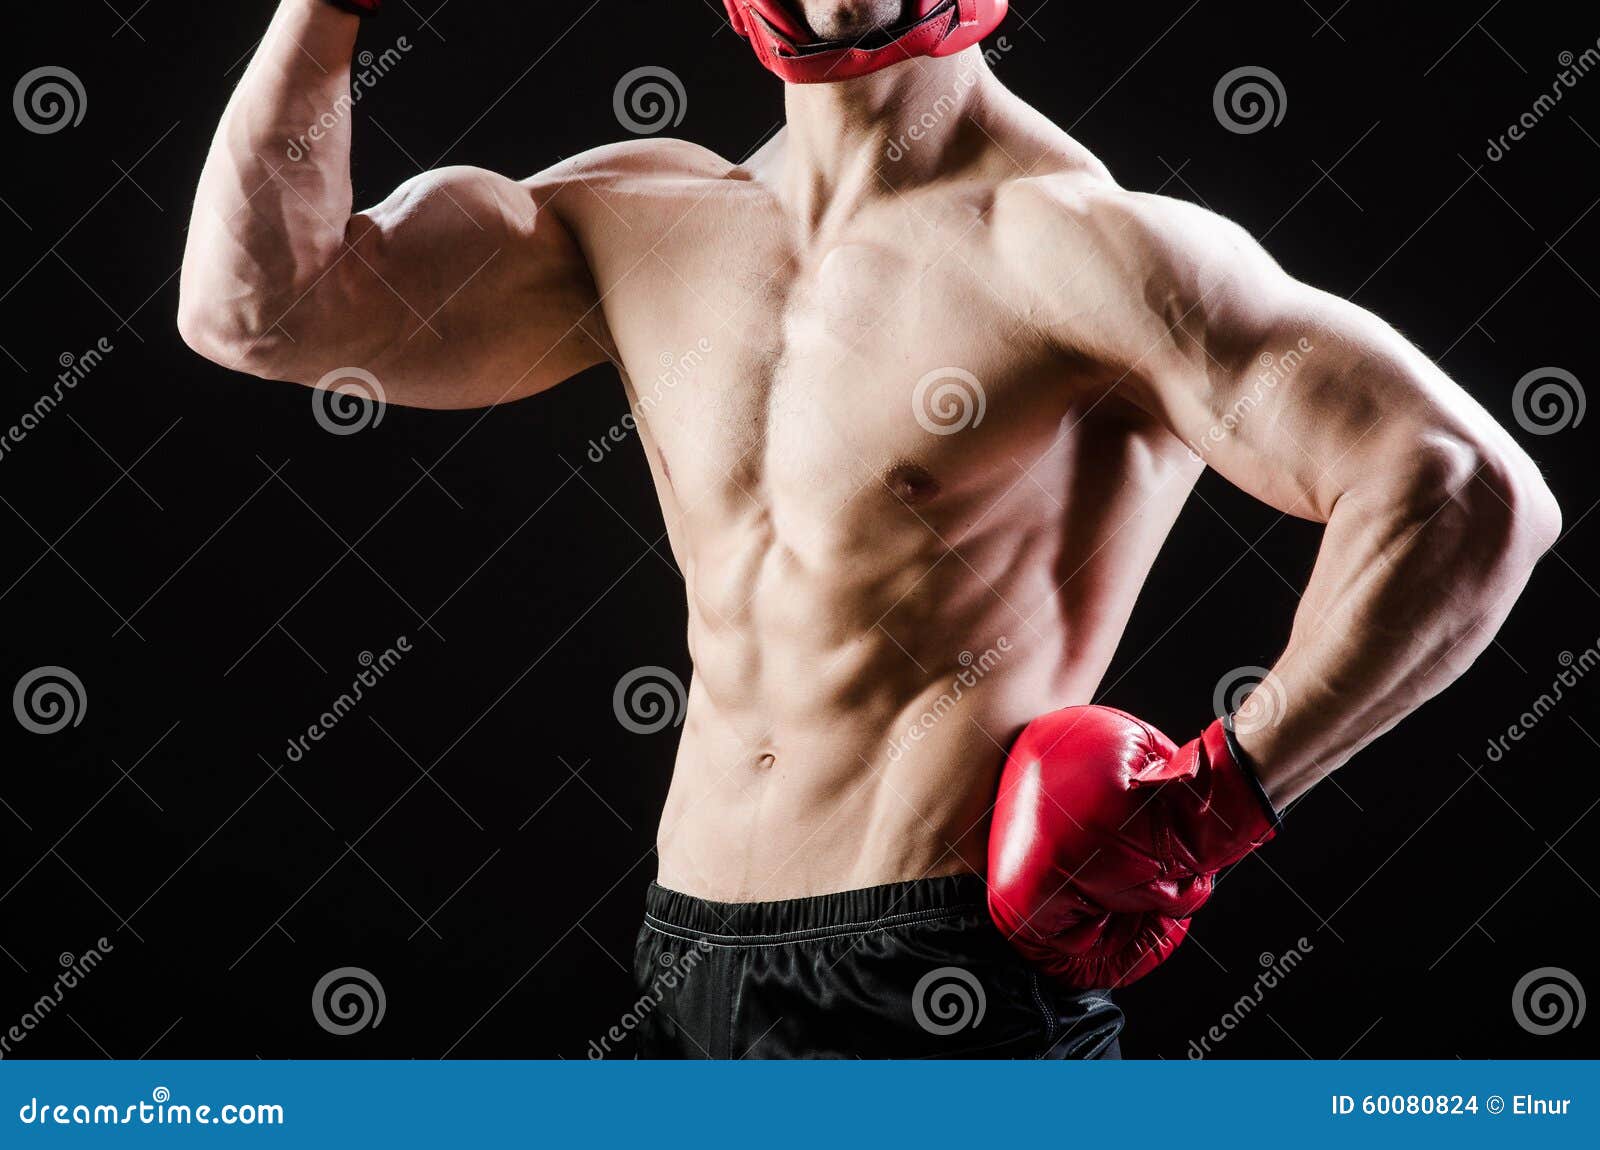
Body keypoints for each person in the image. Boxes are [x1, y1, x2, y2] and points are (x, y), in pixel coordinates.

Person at [178, 0, 1562, 1057]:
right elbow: (263, 309)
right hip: (681, 959)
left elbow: (1463, 491)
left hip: (941, 978)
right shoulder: (638, 218)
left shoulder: (1076, 243)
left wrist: (1210, 804)